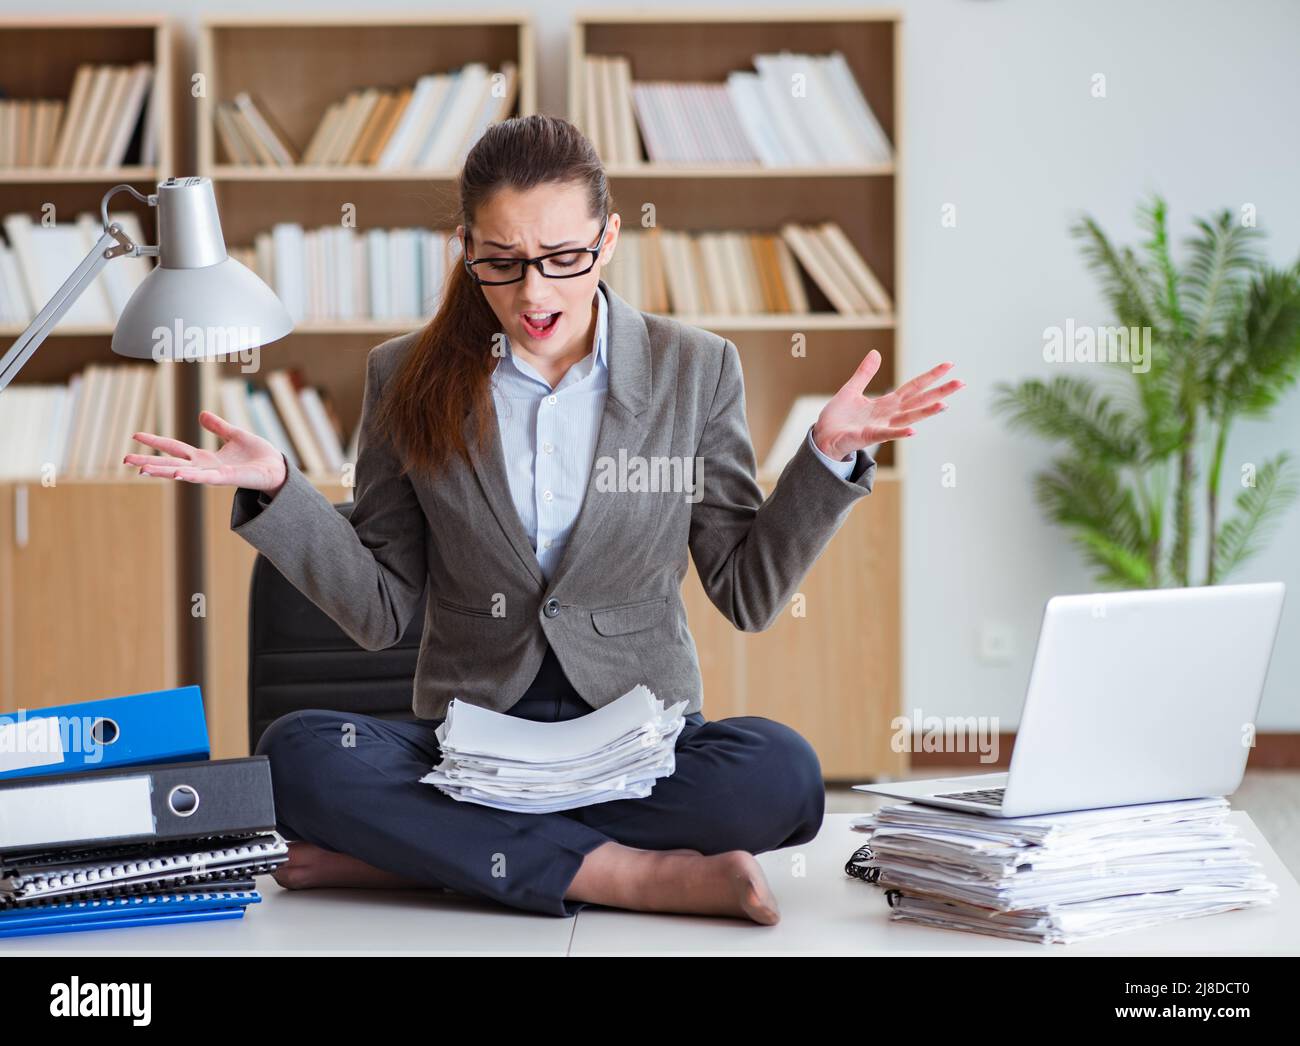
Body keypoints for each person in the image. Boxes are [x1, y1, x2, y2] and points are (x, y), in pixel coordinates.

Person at [126, 114, 962, 925]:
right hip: (471, 748)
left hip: (643, 748)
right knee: (295, 756)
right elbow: (382, 613)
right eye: (503, 261)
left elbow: (746, 592)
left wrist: (823, 461)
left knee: (785, 775)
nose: (534, 292)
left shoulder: (695, 369)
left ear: (609, 239)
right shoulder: (405, 376)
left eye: (564, 257)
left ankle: (419, 859)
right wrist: (280, 487)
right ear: (467, 250)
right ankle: (624, 874)